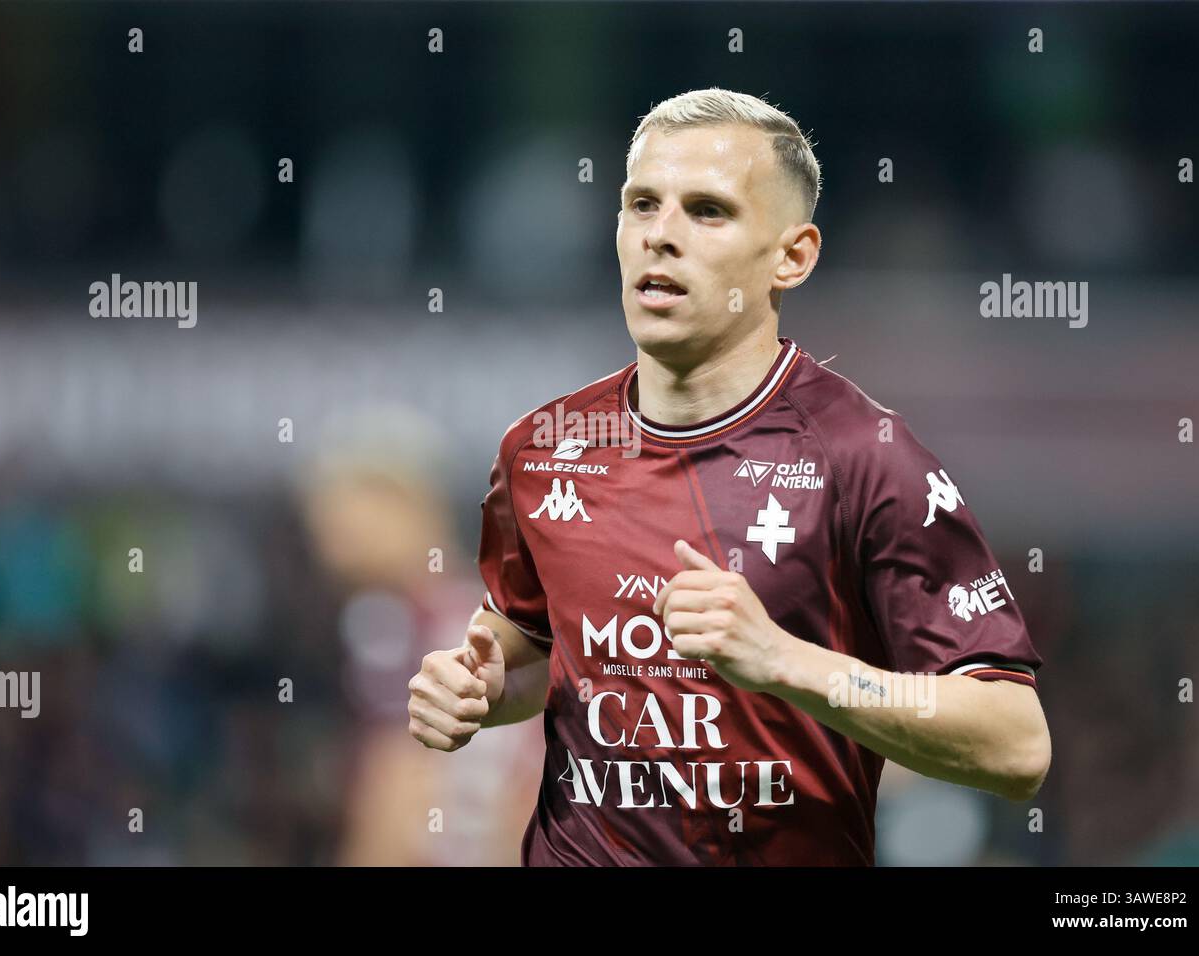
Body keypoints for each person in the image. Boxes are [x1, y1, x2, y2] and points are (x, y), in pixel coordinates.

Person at [408, 87, 1050, 865]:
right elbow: (538, 654)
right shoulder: (543, 448)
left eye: (707, 211)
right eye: (641, 204)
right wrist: (472, 693)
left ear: (792, 256)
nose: (660, 236)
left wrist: (785, 661)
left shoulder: (864, 456)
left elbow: (1015, 745)